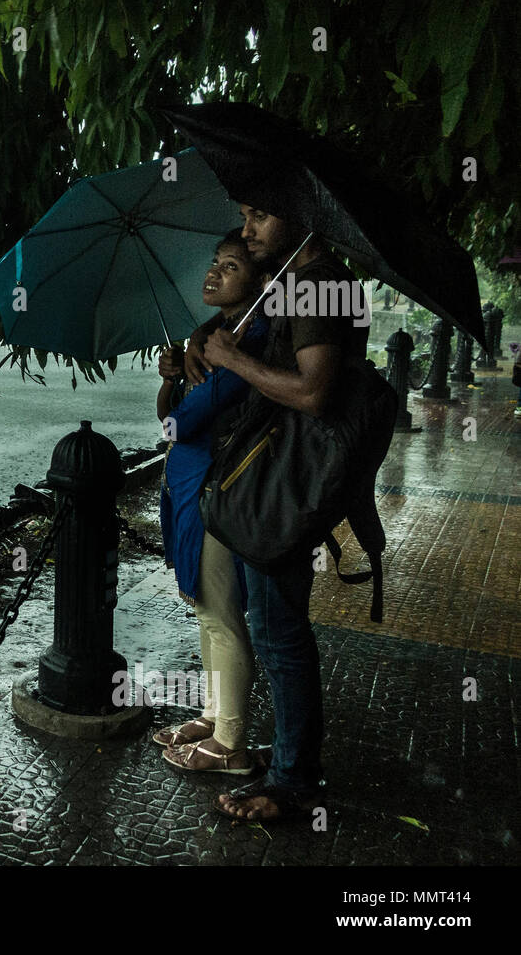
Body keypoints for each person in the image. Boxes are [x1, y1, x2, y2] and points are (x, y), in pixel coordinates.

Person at [187, 204, 370, 822]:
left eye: (263, 216)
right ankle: (292, 759)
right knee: (274, 625)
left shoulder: (319, 285)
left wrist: (234, 361)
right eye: (243, 216)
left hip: (290, 485)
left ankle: (294, 779)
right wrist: (207, 343)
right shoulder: (306, 283)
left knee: (280, 632)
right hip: (292, 482)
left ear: (306, 218)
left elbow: (314, 393)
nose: (247, 229)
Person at [152, 231, 268, 774]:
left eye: (231, 267)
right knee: (205, 611)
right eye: (214, 263)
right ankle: (215, 715)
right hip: (190, 486)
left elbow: (185, 421)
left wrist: (193, 385)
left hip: (215, 493)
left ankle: (232, 746)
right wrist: (174, 378)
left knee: (223, 615)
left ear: (261, 280)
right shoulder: (217, 335)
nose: (214, 274)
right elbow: (168, 414)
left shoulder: (250, 339)